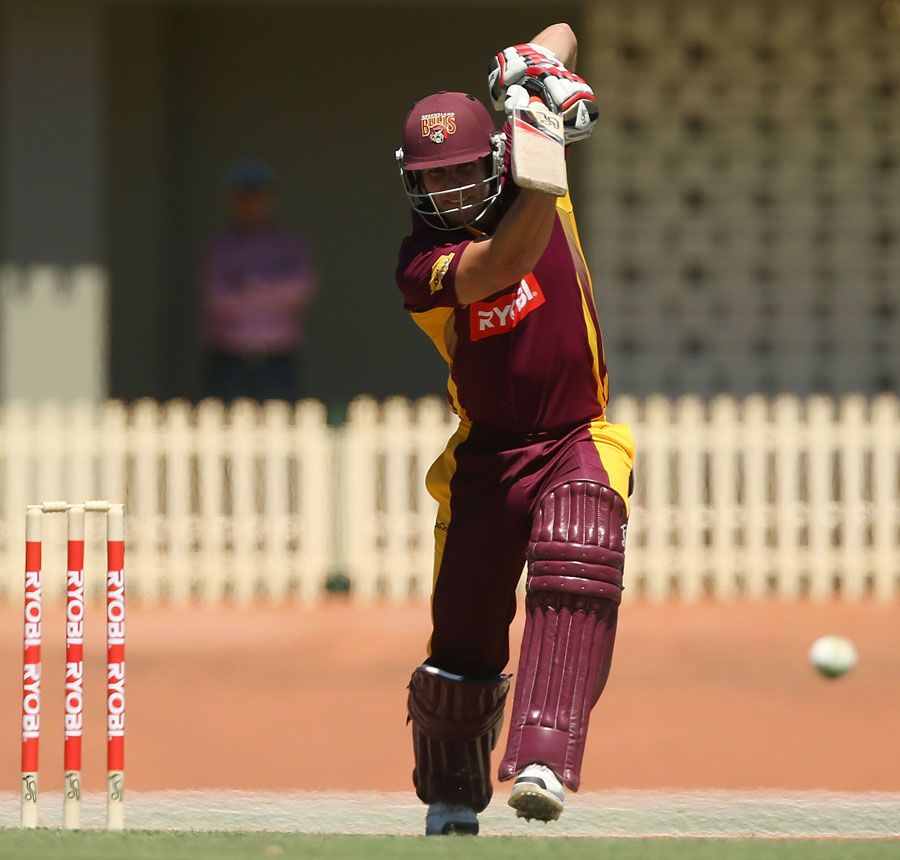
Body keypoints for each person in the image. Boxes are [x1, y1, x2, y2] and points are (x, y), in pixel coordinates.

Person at [395, 24, 636, 835]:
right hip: (487, 456)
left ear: (491, 155)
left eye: (464, 168)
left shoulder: (527, 146)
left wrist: (529, 69)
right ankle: (452, 794)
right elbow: (503, 264)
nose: (453, 189)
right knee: (463, 633)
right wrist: (543, 156)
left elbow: (559, 35)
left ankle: (543, 757)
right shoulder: (422, 260)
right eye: (434, 178)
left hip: (577, 431)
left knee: (580, 542)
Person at [200, 158, 317, 403]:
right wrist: (273, 290)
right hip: (229, 357)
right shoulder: (221, 247)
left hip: (277, 357)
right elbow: (218, 298)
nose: (251, 204)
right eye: (244, 197)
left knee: (280, 428)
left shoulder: (288, 244)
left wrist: (250, 287)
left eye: (258, 196)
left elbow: (300, 289)